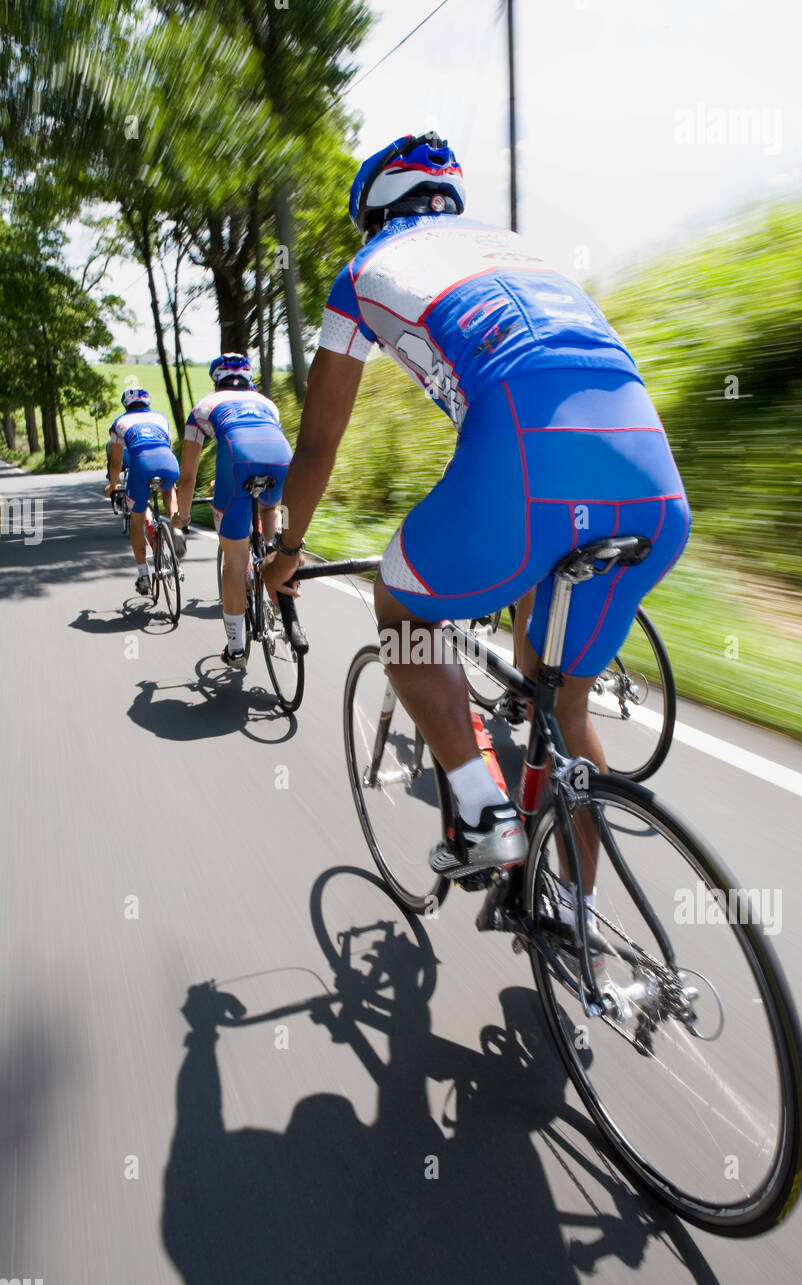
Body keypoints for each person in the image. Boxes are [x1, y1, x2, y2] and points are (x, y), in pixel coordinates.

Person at [264, 132, 690, 882]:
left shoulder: (364, 271)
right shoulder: (517, 251)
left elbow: (318, 446)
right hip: (652, 476)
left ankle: (481, 813)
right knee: (564, 709)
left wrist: (286, 550)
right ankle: (577, 916)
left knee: (400, 607)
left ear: (373, 215)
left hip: (525, 456)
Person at [174, 353, 292, 670]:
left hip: (237, 464)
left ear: (216, 381)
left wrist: (182, 518)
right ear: (249, 381)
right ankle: (283, 604)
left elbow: (187, 477)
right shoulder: (268, 404)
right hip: (282, 460)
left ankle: (237, 649)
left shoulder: (203, 408)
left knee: (235, 560)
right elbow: (260, 444)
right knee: (271, 514)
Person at [104, 388, 180, 596]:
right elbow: (168, 445)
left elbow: (116, 462)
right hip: (168, 463)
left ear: (125, 405)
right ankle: (177, 528)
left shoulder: (119, 423)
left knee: (136, 522)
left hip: (141, 466)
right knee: (169, 491)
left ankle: (143, 575)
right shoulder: (161, 418)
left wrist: (112, 486)